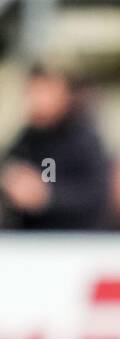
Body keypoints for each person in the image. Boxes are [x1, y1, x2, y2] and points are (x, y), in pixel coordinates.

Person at [0, 67, 109, 229]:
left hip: (75, 239)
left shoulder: (84, 140)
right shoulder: (28, 137)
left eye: (45, 93)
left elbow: (96, 193)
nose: (38, 101)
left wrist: (48, 196)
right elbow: (10, 165)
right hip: (32, 239)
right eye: (33, 93)